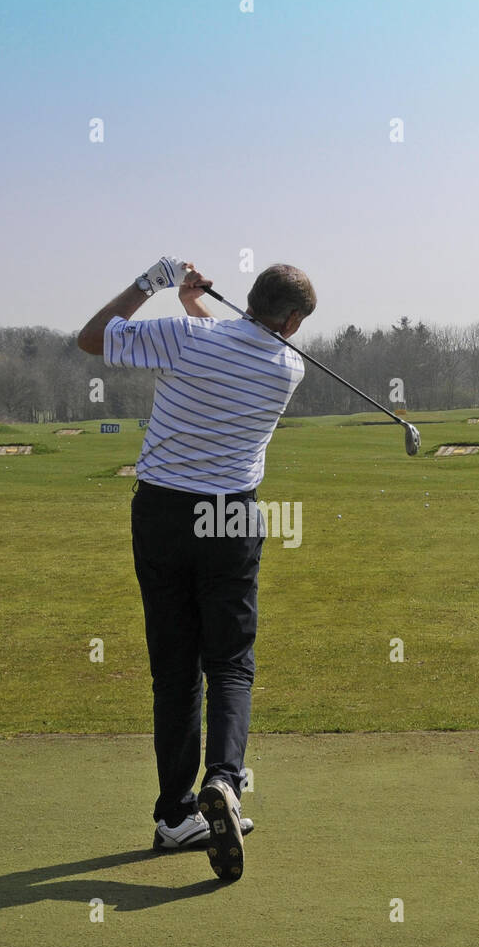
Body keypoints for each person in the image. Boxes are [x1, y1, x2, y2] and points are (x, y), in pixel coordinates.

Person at [77, 259, 315, 881]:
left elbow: (92, 337)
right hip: (230, 518)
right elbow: (243, 351)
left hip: (160, 512)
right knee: (230, 661)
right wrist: (194, 305)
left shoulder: (187, 339)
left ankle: (175, 814)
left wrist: (152, 285)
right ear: (289, 320)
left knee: (175, 668)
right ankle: (225, 783)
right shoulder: (289, 366)